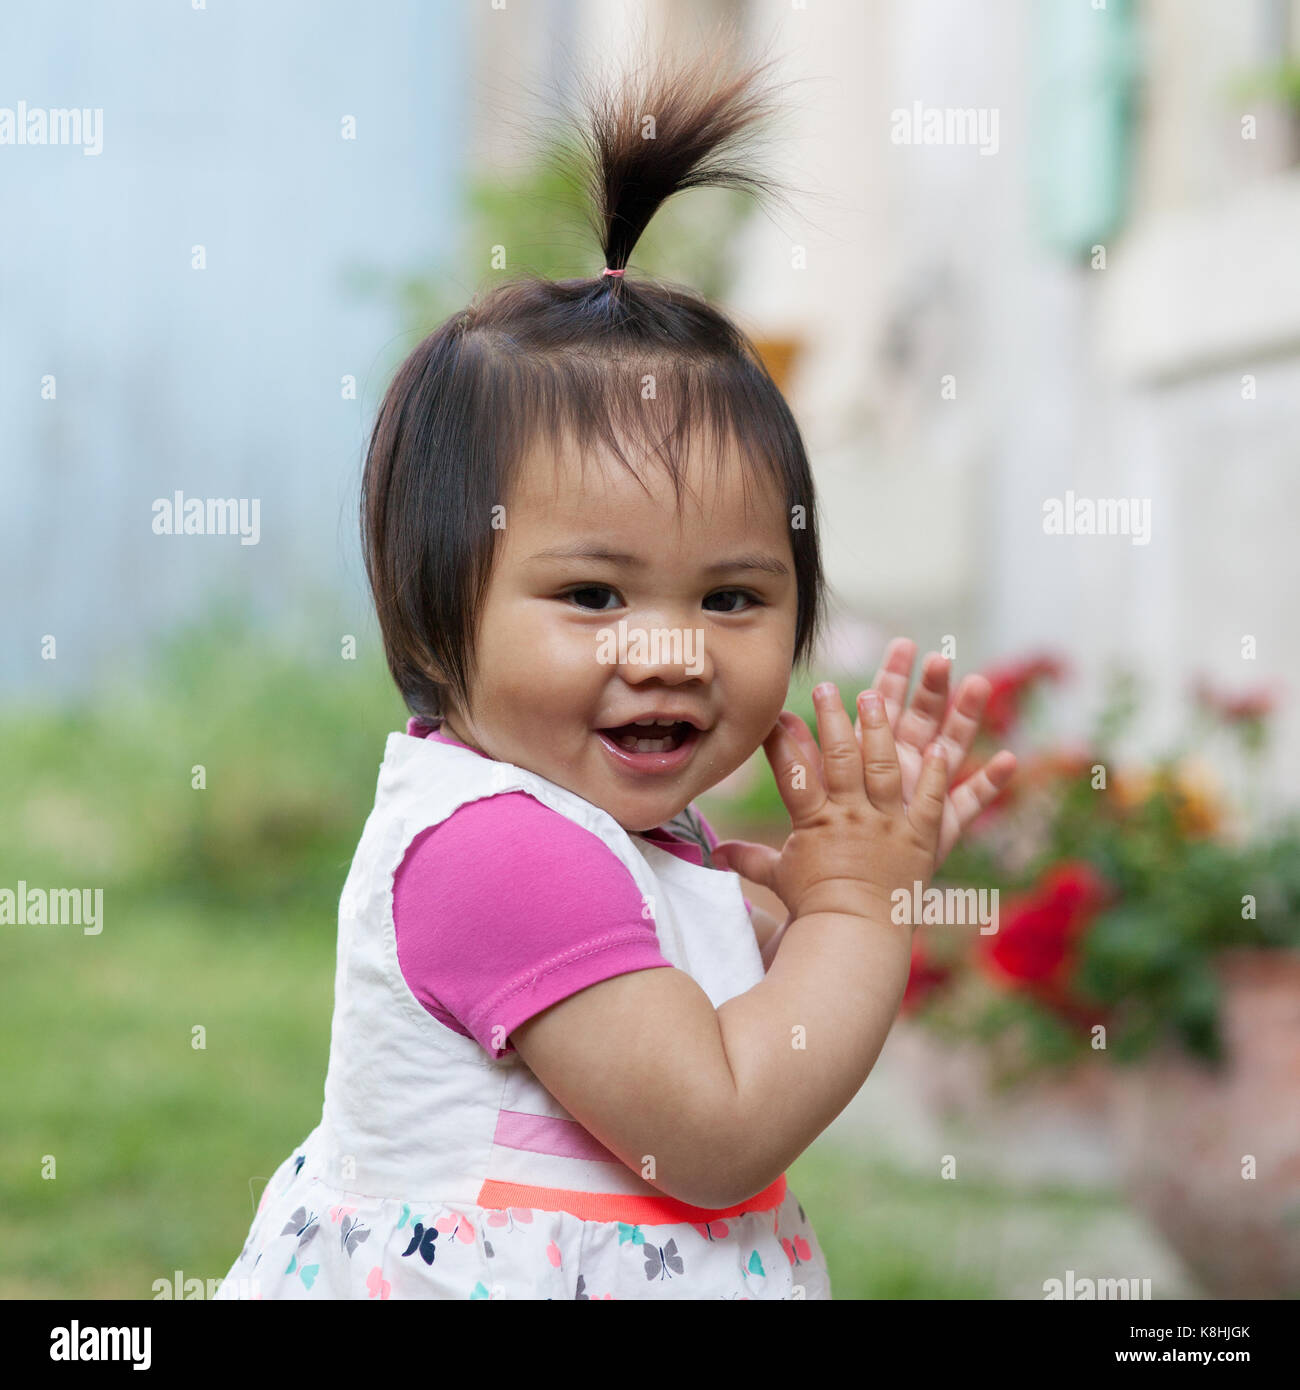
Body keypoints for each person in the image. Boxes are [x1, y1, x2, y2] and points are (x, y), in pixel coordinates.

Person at [215, 42, 1015, 1301]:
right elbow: (719, 1127)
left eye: (733, 596)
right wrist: (857, 918)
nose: (671, 650)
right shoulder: (497, 854)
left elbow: (730, 1008)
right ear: (433, 622)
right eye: (592, 595)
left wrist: (819, 900)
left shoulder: (618, 834)